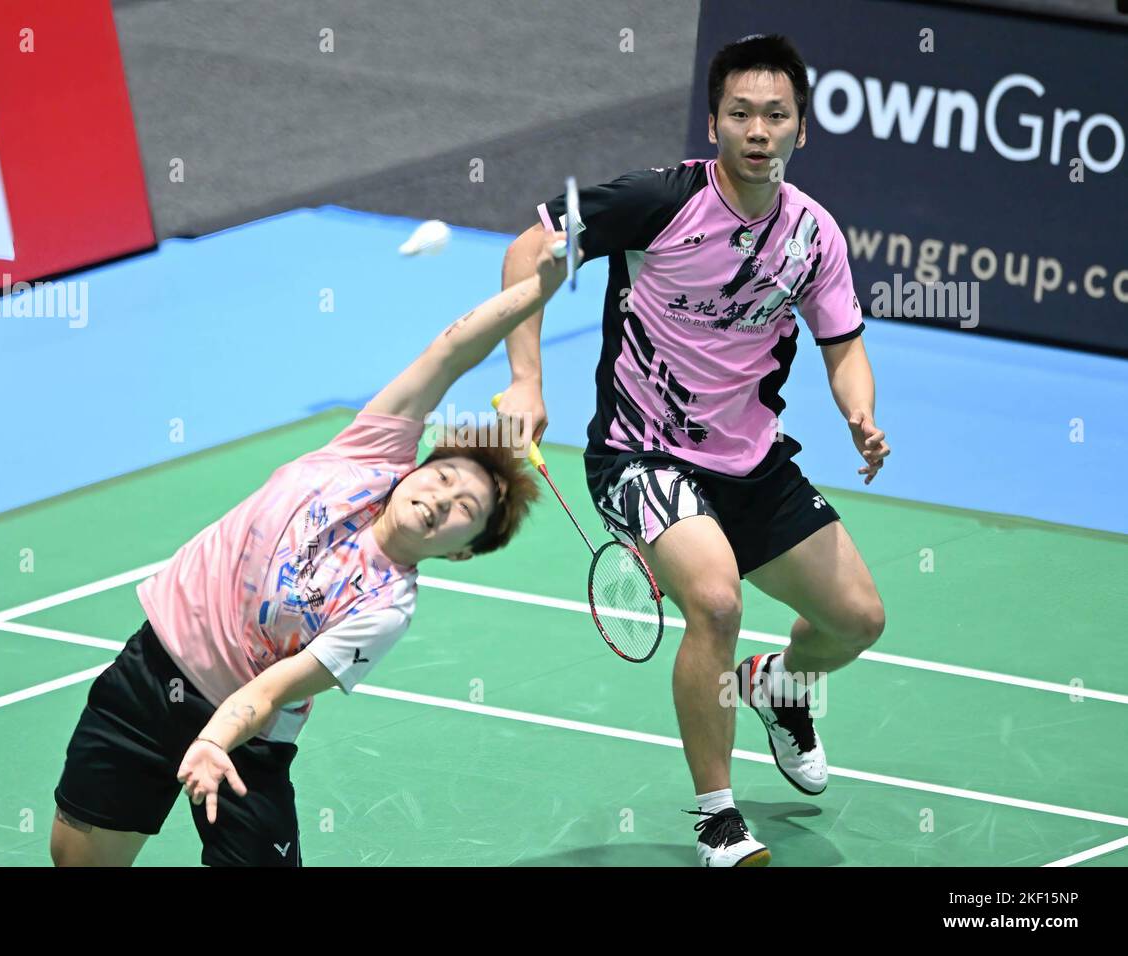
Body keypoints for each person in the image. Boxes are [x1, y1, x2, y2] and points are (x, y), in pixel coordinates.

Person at [49, 229, 574, 866]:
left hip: (246, 733)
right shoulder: (368, 452)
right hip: (151, 677)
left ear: (462, 551)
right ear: (414, 469)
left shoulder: (387, 608)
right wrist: (535, 289)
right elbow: (451, 351)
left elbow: (271, 691)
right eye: (441, 476)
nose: (440, 498)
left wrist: (216, 740)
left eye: (465, 509)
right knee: (78, 863)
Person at [496, 34, 891, 867]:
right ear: (713, 123)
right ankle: (718, 816)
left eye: (775, 116)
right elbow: (530, 248)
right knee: (714, 603)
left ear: (801, 130)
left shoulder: (814, 235)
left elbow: (842, 342)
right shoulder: (657, 200)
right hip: (641, 455)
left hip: (752, 460)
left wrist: (859, 414)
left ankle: (778, 687)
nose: (757, 130)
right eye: (740, 114)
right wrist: (527, 381)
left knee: (857, 621)